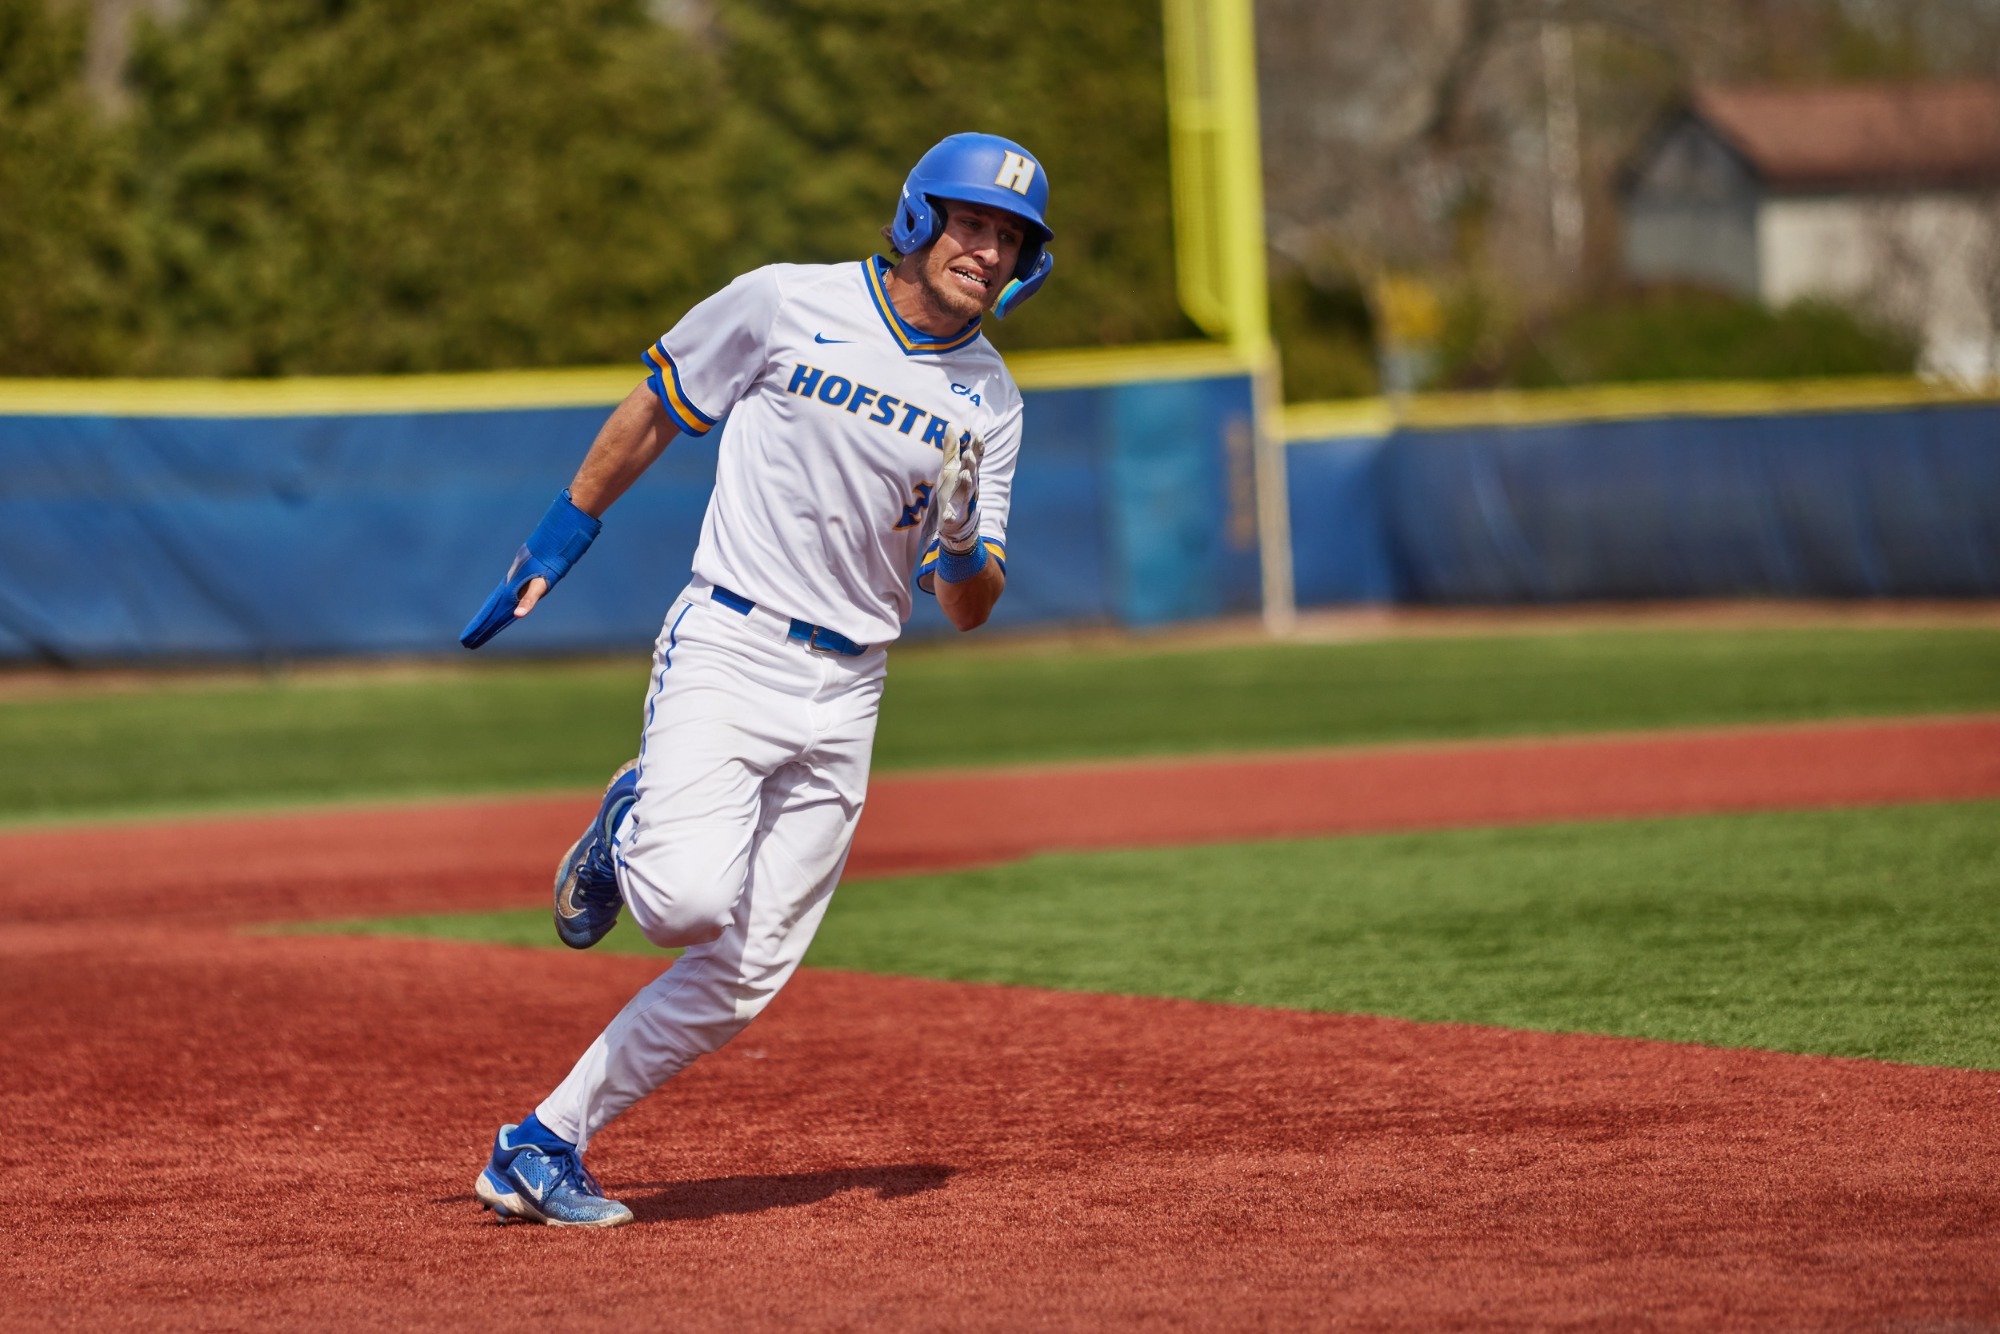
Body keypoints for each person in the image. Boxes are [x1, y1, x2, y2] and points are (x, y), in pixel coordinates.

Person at [455, 132, 1053, 1226]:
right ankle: (625, 825)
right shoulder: (784, 302)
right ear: (920, 217)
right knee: (681, 901)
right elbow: (656, 405)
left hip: (852, 684)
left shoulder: (991, 403)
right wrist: (558, 535)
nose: (987, 248)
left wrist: (964, 547)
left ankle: (540, 1142)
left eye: (1010, 237)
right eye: (972, 221)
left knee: (746, 971)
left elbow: (964, 602)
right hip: (732, 642)